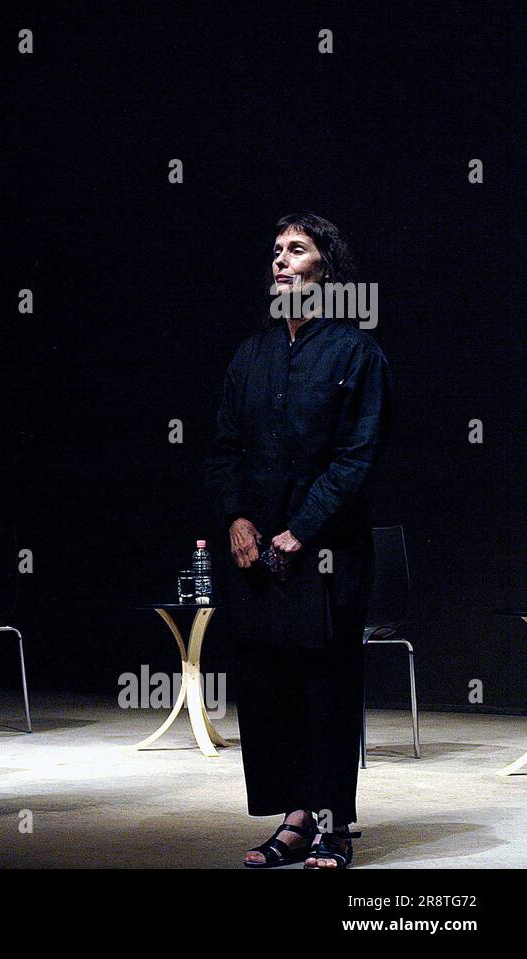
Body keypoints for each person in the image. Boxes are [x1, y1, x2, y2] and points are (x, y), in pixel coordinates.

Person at [204, 213, 392, 868]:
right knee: (270, 691)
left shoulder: (356, 353)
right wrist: (237, 518)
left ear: (325, 267)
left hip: (325, 559)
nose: (281, 260)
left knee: (326, 690)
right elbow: (224, 448)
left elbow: (356, 459)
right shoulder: (249, 355)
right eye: (276, 250)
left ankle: (334, 827)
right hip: (259, 560)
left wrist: (300, 529)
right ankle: (292, 819)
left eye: (297, 249)